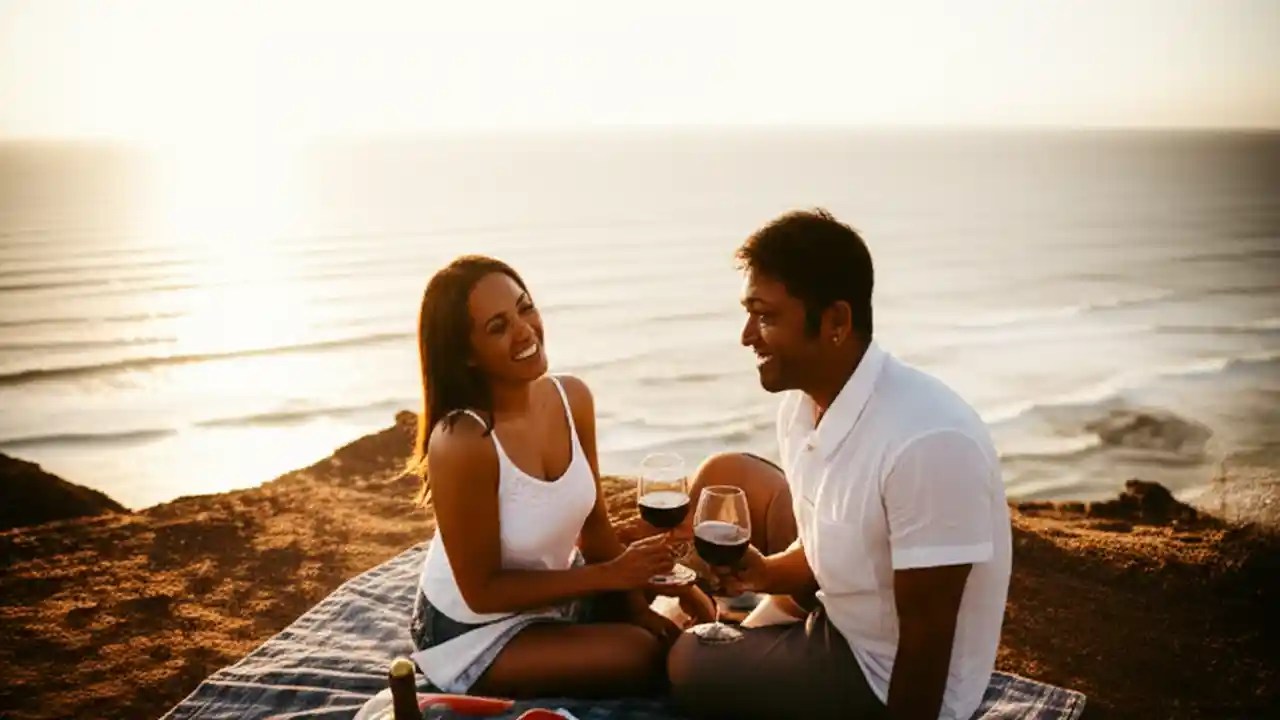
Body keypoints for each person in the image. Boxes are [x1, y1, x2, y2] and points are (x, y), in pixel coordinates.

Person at [665, 210, 1013, 720]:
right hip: (840, 617)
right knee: (726, 476)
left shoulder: (929, 441)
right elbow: (834, 542)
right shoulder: (803, 409)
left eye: (764, 316)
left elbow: (928, 637)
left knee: (688, 659)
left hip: (880, 674)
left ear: (836, 322)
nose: (746, 336)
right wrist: (764, 571)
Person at [404, 255, 694, 699]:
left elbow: (595, 532)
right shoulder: (463, 440)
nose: (524, 330)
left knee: (681, 602)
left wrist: (635, 607)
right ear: (466, 354)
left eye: (525, 308)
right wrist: (611, 578)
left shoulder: (571, 398)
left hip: (559, 594)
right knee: (645, 656)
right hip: (473, 629)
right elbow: (482, 592)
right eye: (497, 327)